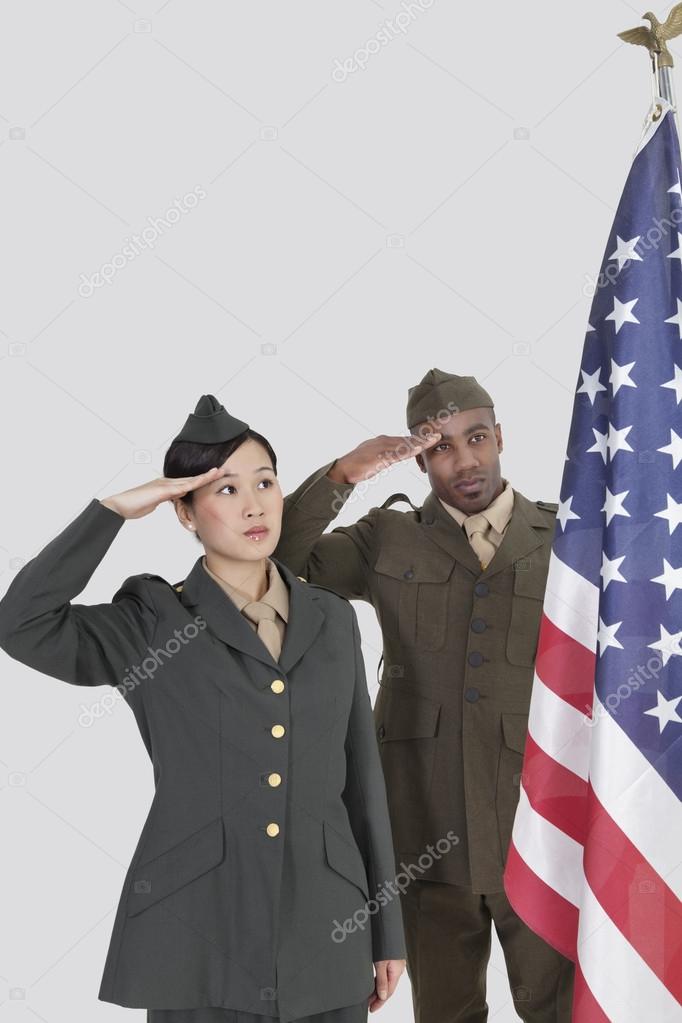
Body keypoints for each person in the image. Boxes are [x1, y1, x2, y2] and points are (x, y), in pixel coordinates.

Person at [0, 394, 406, 1023]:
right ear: (184, 512)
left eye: (265, 482)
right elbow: (21, 624)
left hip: (327, 932)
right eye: (224, 490)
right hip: (197, 939)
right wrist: (110, 513)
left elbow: (363, 780)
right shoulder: (151, 622)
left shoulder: (331, 618)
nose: (254, 505)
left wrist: (386, 932)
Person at [272, 369, 575, 1022]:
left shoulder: (567, 540)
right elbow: (280, 565)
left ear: (501, 438)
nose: (464, 459)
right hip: (426, 837)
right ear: (419, 458)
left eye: (477, 438)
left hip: (540, 837)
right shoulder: (388, 537)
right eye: (441, 446)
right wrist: (343, 475)